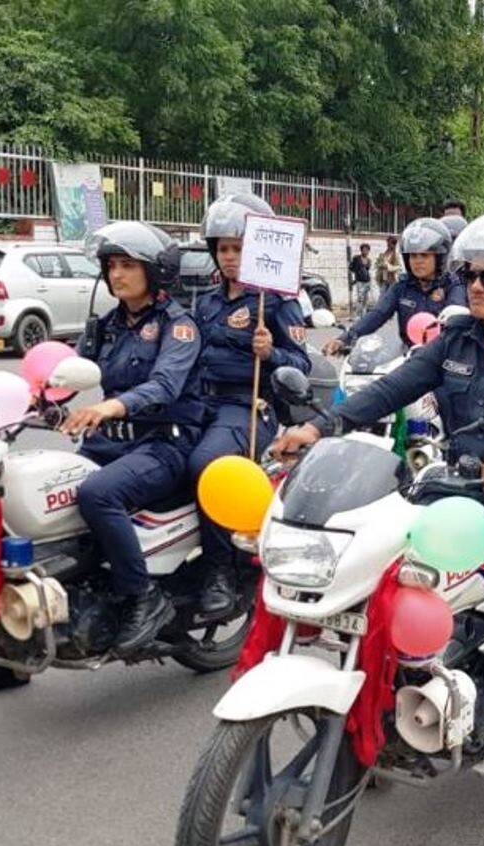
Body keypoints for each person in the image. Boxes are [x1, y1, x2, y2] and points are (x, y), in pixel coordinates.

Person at [273, 214, 484, 846]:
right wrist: (324, 424)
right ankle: (376, 723)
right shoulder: (453, 337)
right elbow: (391, 388)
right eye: (468, 275)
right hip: (449, 491)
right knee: (369, 589)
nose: (475, 286)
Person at [64, 222, 203, 651]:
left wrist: (107, 406)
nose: (117, 275)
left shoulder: (178, 326)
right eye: (111, 266)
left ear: (154, 271)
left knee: (97, 495)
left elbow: (163, 386)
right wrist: (33, 398)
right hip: (110, 443)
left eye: (127, 265)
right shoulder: (106, 325)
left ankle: (143, 595)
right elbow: (67, 371)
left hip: (162, 444)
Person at [188, 193, 313, 617]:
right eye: (222, 248)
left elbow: (302, 363)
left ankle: (220, 571)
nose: (229, 257)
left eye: (238, 248)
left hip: (247, 405)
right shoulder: (204, 302)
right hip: (200, 403)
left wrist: (271, 353)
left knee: (208, 466)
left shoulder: (277, 302)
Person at [324, 217, 466, 354]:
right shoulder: (402, 287)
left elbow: (457, 320)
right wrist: (346, 338)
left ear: (440, 257)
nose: (418, 261)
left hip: (444, 358)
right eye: (413, 256)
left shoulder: (453, 285)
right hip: (410, 356)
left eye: (424, 255)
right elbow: (377, 314)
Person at [349, 242, 373, 317]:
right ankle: (358, 315)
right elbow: (351, 268)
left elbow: (367, 270)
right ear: (361, 250)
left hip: (367, 281)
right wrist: (355, 277)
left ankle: (364, 314)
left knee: (366, 299)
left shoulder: (369, 260)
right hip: (359, 281)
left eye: (367, 250)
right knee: (360, 298)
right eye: (364, 250)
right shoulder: (356, 258)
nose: (365, 251)